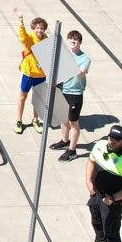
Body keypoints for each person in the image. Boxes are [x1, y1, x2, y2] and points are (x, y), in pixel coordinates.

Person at [50, 30, 92, 162]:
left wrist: (78, 70)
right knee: (63, 118)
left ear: (79, 42)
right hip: (63, 90)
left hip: (75, 94)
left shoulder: (85, 59)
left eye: (75, 41)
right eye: (70, 40)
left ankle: (72, 151)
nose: (72, 42)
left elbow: (81, 73)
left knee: (73, 122)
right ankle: (64, 141)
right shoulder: (64, 56)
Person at [12, 12, 49, 133]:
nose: (40, 30)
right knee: (23, 97)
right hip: (28, 73)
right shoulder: (29, 38)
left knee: (38, 99)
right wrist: (21, 22)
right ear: (33, 28)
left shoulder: (47, 41)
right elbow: (22, 37)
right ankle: (19, 120)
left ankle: (35, 119)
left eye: (42, 28)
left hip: (41, 75)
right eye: (37, 27)